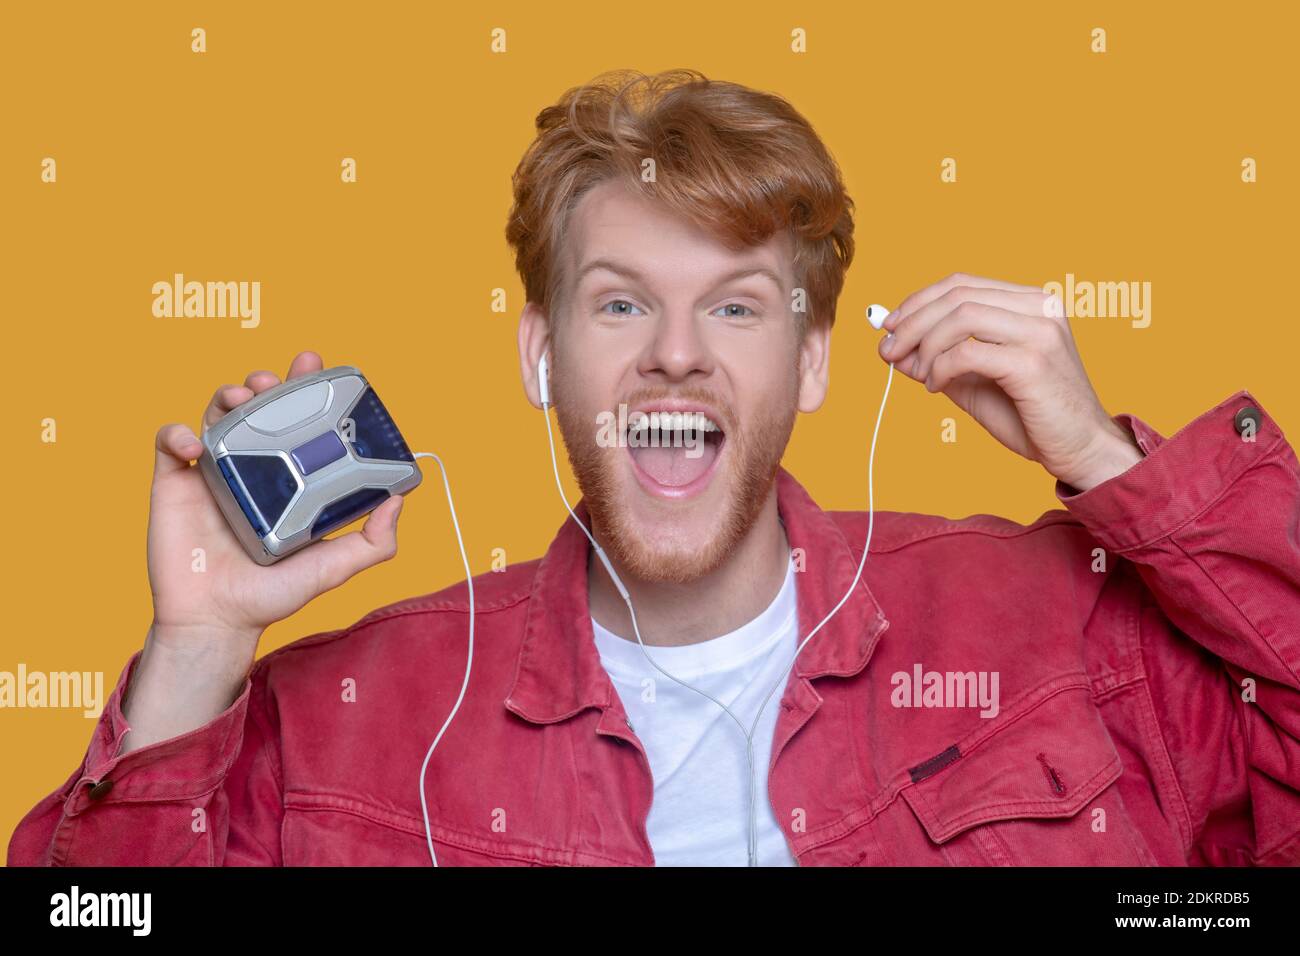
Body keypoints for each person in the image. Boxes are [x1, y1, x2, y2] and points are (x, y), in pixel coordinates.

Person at [9, 69, 1299, 867]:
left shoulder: (1059, 621)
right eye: (620, 306)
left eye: (737, 309)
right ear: (539, 357)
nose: (676, 356)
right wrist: (195, 653)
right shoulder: (332, 725)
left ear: (808, 366)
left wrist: (1099, 459)